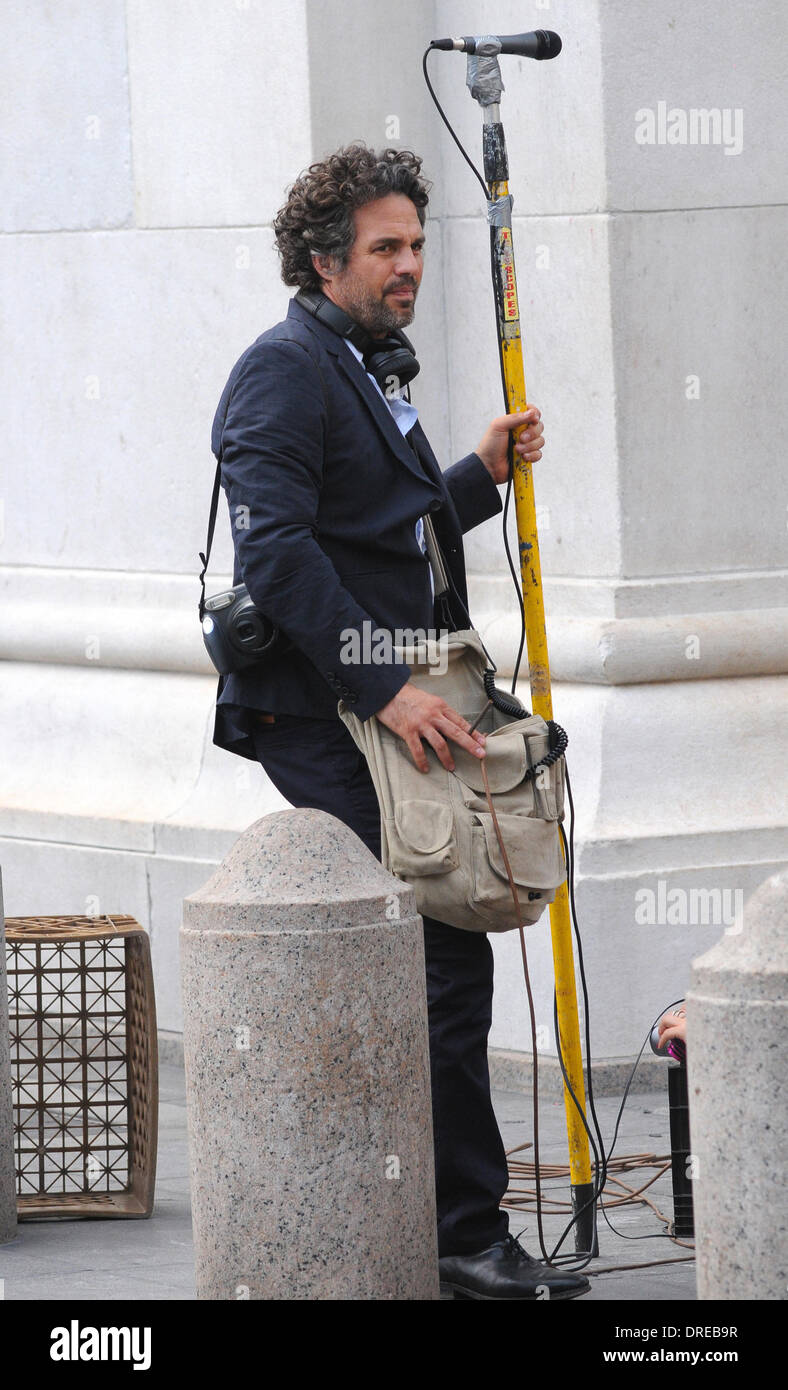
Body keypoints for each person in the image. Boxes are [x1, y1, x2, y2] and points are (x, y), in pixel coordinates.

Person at [211, 144, 589, 1301]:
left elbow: (388, 528)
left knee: (435, 954)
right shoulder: (281, 369)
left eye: (416, 244)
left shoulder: (366, 365)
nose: (409, 265)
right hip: (329, 711)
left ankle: (432, 1215)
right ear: (325, 260)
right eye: (387, 247)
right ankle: (462, 1234)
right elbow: (273, 549)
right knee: (440, 953)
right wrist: (383, 687)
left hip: (380, 700)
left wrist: (471, 474)